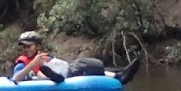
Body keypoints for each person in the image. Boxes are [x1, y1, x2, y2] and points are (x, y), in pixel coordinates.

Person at [10, 31, 141, 84]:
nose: (25, 49)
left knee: (87, 65)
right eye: (23, 47)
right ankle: (119, 77)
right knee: (82, 66)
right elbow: (15, 79)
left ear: (37, 46)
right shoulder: (22, 64)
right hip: (59, 77)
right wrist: (33, 64)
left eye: (28, 46)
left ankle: (120, 74)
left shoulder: (44, 57)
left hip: (66, 72)